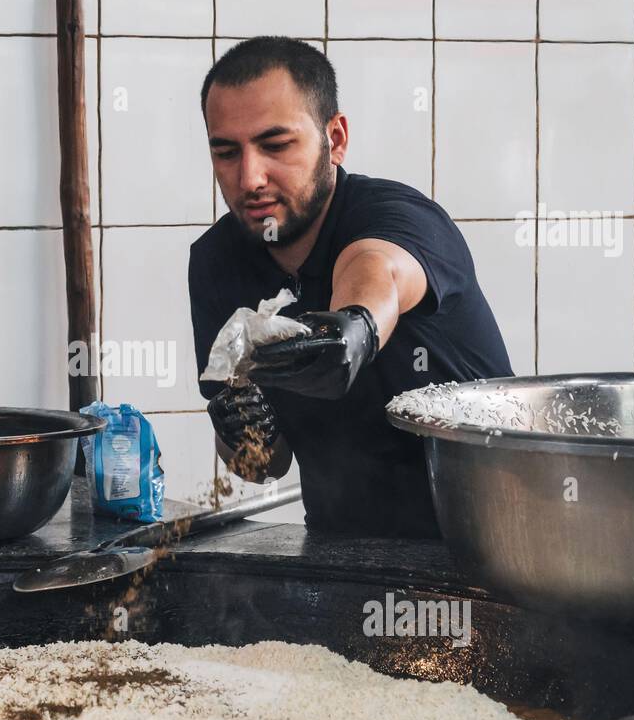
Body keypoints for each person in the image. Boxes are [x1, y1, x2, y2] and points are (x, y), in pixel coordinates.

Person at [188, 36, 512, 537]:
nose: (250, 177)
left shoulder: (397, 215)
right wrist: (244, 430)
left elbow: (376, 269)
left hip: (488, 545)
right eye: (226, 152)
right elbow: (263, 467)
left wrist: (355, 326)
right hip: (341, 550)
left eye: (276, 145)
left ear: (335, 139)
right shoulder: (217, 263)